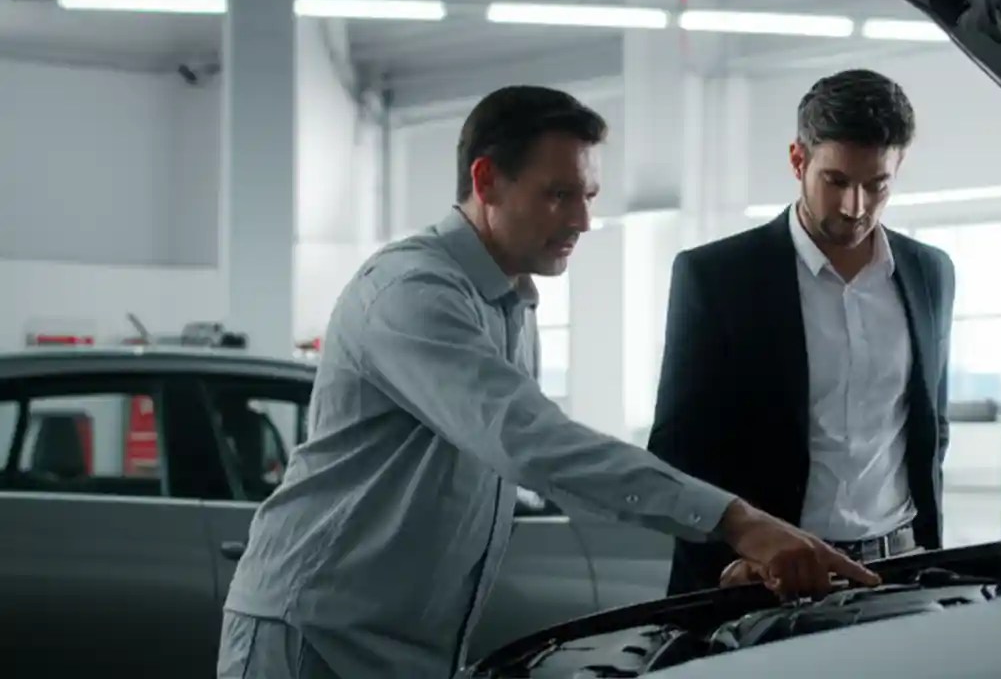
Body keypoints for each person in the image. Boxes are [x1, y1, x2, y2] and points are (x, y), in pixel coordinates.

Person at [216, 85, 879, 679]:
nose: (583, 222)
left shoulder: (508, 300)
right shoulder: (410, 292)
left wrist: (718, 543)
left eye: (588, 196)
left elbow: (562, 470)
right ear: (487, 180)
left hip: (407, 643)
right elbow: (533, 442)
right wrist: (739, 520)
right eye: (558, 195)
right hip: (314, 636)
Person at [647, 68, 956, 596]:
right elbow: (680, 446)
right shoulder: (717, 276)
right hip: (768, 574)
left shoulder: (931, 272)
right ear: (798, 160)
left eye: (876, 185)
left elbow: (929, 426)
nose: (855, 206)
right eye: (836, 181)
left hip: (901, 565)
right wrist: (731, 560)